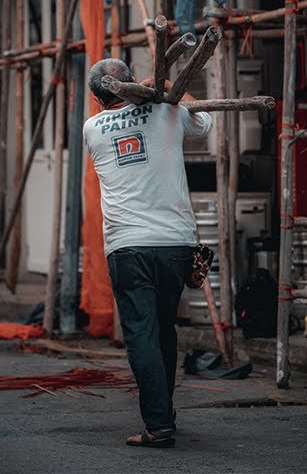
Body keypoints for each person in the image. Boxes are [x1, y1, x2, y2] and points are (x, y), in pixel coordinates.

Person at [82, 58, 213, 449]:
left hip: (127, 247)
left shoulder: (93, 129)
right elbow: (205, 123)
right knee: (163, 328)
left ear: (96, 98)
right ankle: (164, 412)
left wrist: (156, 96)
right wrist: (169, 86)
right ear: (129, 84)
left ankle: (158, 425)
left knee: (142, 333)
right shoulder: (166, 111)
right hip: (175, 244)